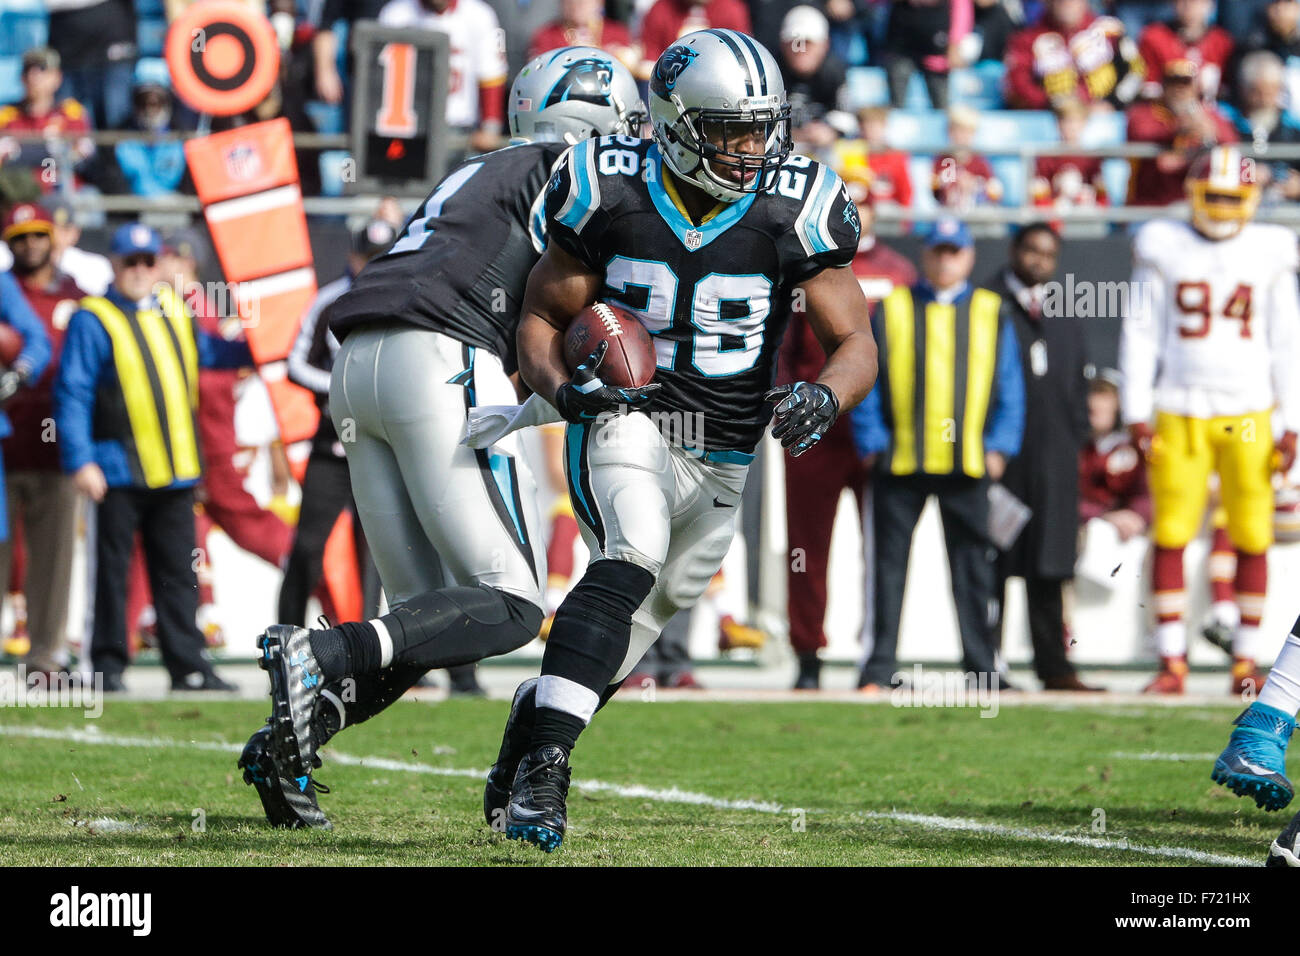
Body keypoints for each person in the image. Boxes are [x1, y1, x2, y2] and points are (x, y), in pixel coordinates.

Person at [239, 48, 646, 832]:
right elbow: (583, 308)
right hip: (442, 358)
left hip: (360, 364)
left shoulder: (479, 169)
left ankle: (285, 748)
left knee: (422, 627)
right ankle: (316, 654)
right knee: (513, 605)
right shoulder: (577, 173)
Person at [489, 30, 874, 852]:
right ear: (672, 124)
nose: (752, 148)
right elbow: (542, 318)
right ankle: (546, 772)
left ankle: (539, 714)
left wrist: (825, 393)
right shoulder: (609, 188)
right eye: (732, 130)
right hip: (628, 419)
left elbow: (855, 342)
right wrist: (565, 391)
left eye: (761, 128)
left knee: (643, 619)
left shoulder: (795, 204)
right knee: (632, 551)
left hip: (727, 451)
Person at [1120, 145, 1300, 697]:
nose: (1221, 208)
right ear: (1194, 195)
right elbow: (1140, 330)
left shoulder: (1270, 249)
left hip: (1250, 410)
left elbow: (1286, 341)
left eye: (1231, 197)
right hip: (1179, 407)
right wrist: (1135, 410)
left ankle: (1245, 660)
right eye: (1213, 196)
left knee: (1251, 533)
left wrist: (1291, 420)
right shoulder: (1163, 243)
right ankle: (1172, 660)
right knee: (1171, 531)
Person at [54, 223, 250, 693]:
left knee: (179, 574)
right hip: (116, 468)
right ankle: (106, 667)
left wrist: (257, 348)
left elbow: (208, 353)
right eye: (131, 262)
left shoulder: (175, 309)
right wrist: (80, 460)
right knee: (112, 574)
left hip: (177, 471)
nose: (140, 271)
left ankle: (189, 666)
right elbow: (73, 391)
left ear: (159, 264)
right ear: (115, 264)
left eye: (147, 261)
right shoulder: (94, 318)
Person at [852, 218, 1023, 693]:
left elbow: (1010, 385)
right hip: (901, 461)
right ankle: (877, 669)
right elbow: (865, 377)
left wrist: (999, 447)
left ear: (969, 257)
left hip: (967, 463)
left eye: (955, 252)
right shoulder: (893, 308)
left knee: (974, 570)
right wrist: (872, 442)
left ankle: (983, 670)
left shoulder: (991, 311)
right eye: (939, 251)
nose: (946, 260)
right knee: (887, 569)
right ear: (925, 255)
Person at [781, 195, 914, 690]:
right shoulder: (808, 265)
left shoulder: (899, 272)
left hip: (878, 432)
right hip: (816, 429)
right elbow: (784, 345)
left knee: (882, 550)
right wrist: (787, 404)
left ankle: (878, 657)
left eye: (866, 201)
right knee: (806, 547)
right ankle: (808, 654)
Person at [985, 223, 1098, 692]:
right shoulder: (986, 304)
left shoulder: (1064, 310)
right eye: (1031, 250)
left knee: (1050, 566)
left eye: (1048, 253)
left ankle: (1054, 667)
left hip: (1055, 459)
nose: (1039, 260)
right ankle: (987, 666)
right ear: (1014, 250)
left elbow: (1077, 385)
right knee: (992, 563)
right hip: (1000, 458)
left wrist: (1076, 442)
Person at [278, 218, 395, 629]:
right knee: (308, 547)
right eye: (367, 257)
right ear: (352, 257)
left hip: (381, 445)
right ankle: (286, 637)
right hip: (333, 445)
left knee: (379, 553)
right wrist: (341, 386)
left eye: (382, 257)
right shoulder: (329, 300)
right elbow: (295, 364)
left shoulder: (405, 299)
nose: (373, 265)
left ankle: (372, 644)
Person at [0, 203, 83, 682]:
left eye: (37, 234)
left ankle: (45, 658)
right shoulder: (5, 290)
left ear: (54, 238)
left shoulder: (77, 297)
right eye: (19, 237)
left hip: (57, 450)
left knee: (52, 561)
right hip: (5, 448)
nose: (29, 245)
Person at [377, 0, 510, 156]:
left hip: (459, 127)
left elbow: (491, 74)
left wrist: (490, 128)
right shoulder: (396, 13)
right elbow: (379, 77)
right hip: (408, 127)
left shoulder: (479, 14)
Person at [1126, 59, 1237, 207]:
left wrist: (1210, 130)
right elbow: (1140, 133)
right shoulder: (1145, 112)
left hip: (1195, 205)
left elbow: (1231, 141)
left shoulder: (1207, 115)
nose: (1179, 89)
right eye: (1173, 82)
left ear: (1196, 87)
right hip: (1150, 205)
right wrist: (1178, 127)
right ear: (1163, 85)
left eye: (1186, 83)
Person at [1004, 0, 1144, 112]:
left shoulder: (1110, 31)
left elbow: (1135, 72)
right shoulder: (1026, 40)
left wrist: (1112, 103)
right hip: (1050, 121)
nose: (1067, 2)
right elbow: (1016, 83)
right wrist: (1053, 105)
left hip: (1107, 120)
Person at [0, 47, 95, 197]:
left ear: (57, 77)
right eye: (28, 70)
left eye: (42, 70)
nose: (33, 77)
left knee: (90, 197)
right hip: (18, 196)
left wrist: (22, 152)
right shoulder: (7, 115)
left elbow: (83, 154)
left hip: (63, 194)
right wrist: (50, 149)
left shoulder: (70, 112)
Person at [1078, 373, 1150, 538]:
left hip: (1124, 535)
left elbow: (1145, 494)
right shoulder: (1078, 450)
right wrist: (1103, 515)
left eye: (1105, 396)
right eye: (1094, 394)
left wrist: (1137, 516)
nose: (1096, 404)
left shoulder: (1133, 449)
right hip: (1086, 527)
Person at [1136, 0, 1233, 101]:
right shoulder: (1154, 37)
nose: (1188, 7)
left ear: (1210, 5)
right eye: (1182, 1)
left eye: (1195, 2)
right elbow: (1148, 89)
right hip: (1165, 106)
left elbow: (1227, 90)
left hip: (1210, 106)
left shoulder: (1222, 42)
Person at [932, 104, 1003, 211]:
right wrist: (951, 183)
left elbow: (994, 193)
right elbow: (932, 191)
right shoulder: (941, 161)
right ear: (949, 132)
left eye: (967, 131)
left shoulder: (980, 162)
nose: (961, 136)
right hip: (947, 212)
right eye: (957, 130)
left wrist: (975, 184)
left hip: (975, 213)